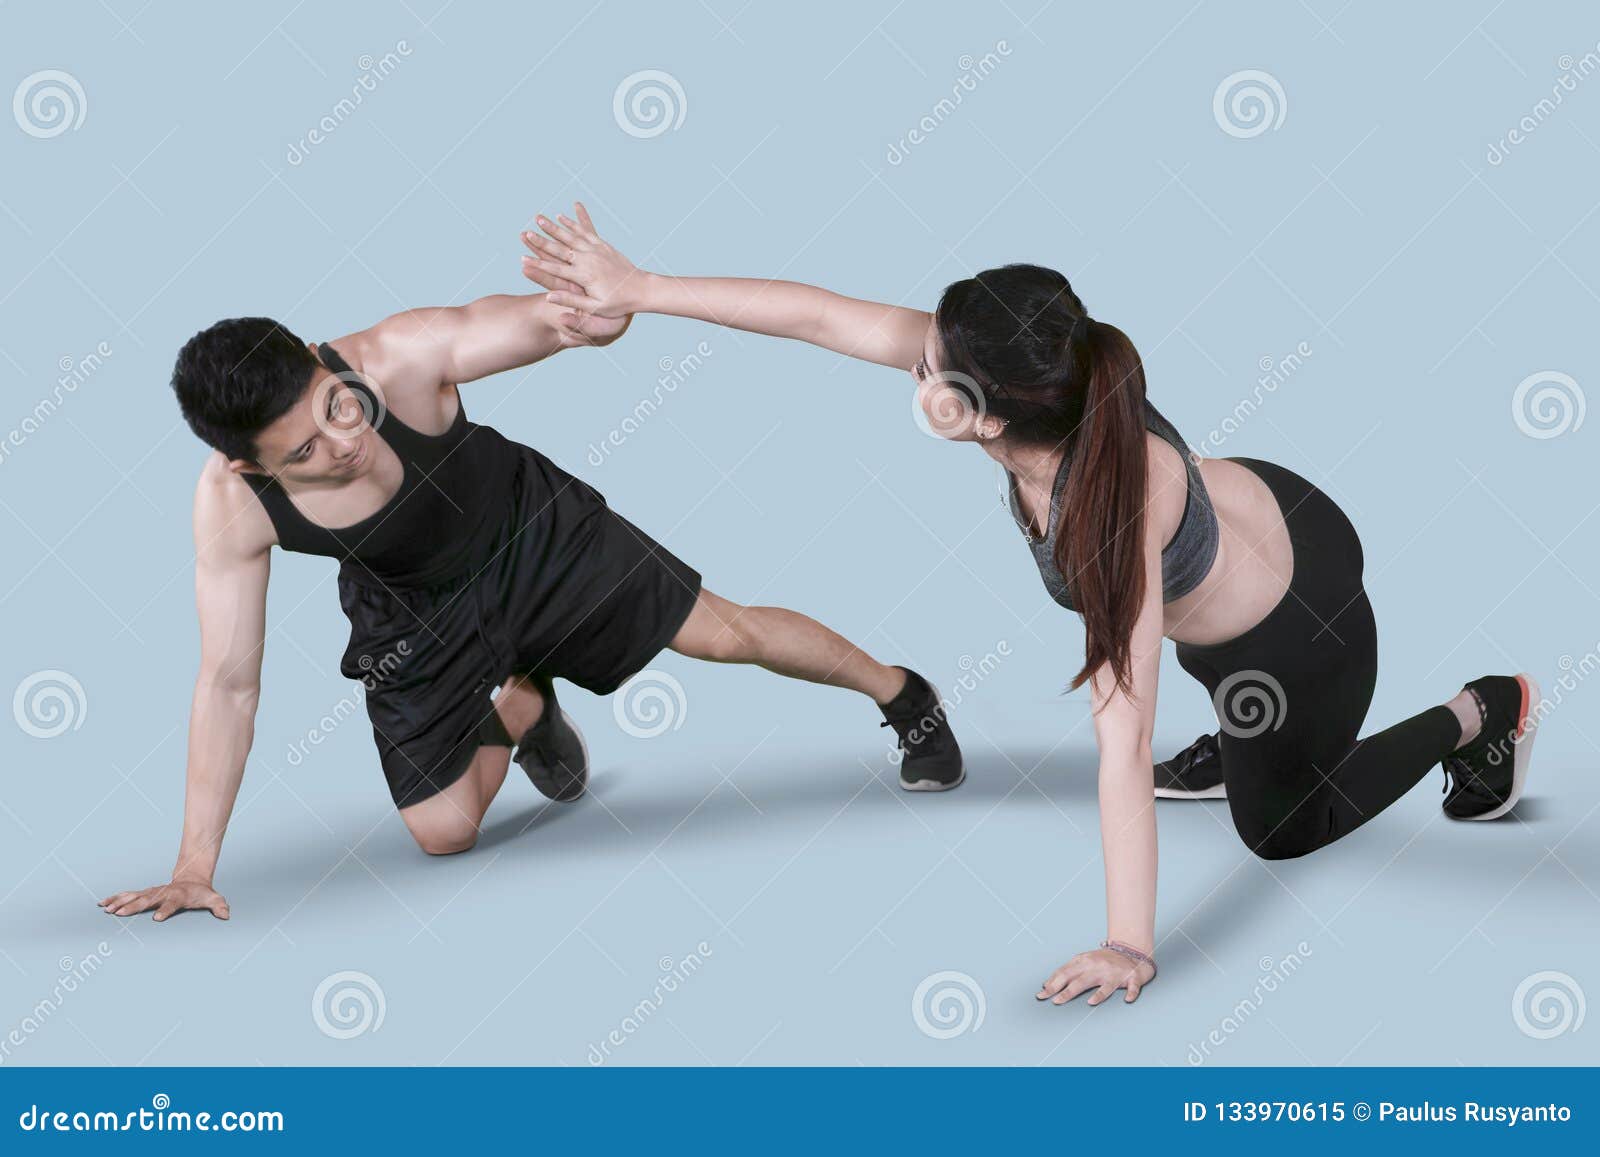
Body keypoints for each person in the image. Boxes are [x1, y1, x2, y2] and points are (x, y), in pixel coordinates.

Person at [519, 205, 1540, 1006]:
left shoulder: (1105, 522)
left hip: (1291, 633)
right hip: (1272, 515)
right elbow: (822, 315)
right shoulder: (1049, 379)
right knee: (1214, 700)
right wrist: (639, 287)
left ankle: (1481, 712)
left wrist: (1127, 940)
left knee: (1278, 828)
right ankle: (1238, 736)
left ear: (980, 413)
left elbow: (1117, 733)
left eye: (935, 365)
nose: (913, 363)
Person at [98, 244, 963, 923]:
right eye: (304, 453)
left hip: (532, 531)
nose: (343, 441)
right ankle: (523, 704)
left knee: (727, 633)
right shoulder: (232, 506)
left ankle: (901, 692)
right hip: (409, 607)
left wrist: (589, 318)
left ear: (325, 365)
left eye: (335, 405)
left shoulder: (400, 355)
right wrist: (193, 865)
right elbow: (229, 683)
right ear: (247, 463)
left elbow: (532, 322)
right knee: (442, 834)